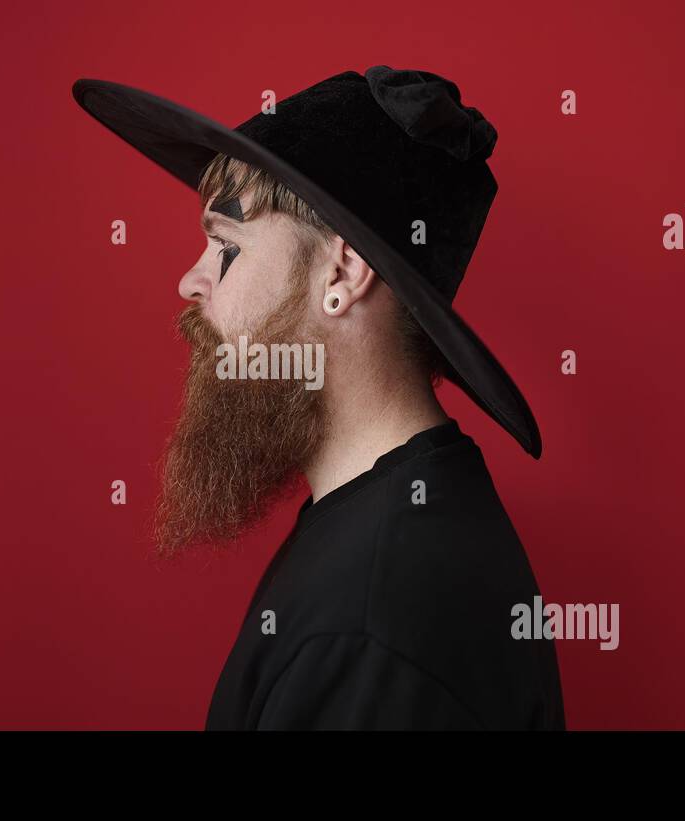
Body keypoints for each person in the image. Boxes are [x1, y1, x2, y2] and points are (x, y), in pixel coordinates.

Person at [73, 66, 565, 729]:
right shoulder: (381, 523)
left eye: (225, 245)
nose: (191, 280)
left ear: (342, 272)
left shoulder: (374, 626)